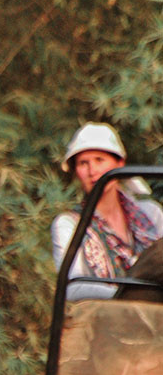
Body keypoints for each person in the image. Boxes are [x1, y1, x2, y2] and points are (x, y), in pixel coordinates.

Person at [51, 122, 163, 300]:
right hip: (104, 318)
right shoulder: (69, 224)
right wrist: (127, 295)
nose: (92, 171)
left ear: (119, 163)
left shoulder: (151, 213)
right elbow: (72, 288)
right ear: (76, 171)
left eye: (99, 160)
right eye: (83, 163)